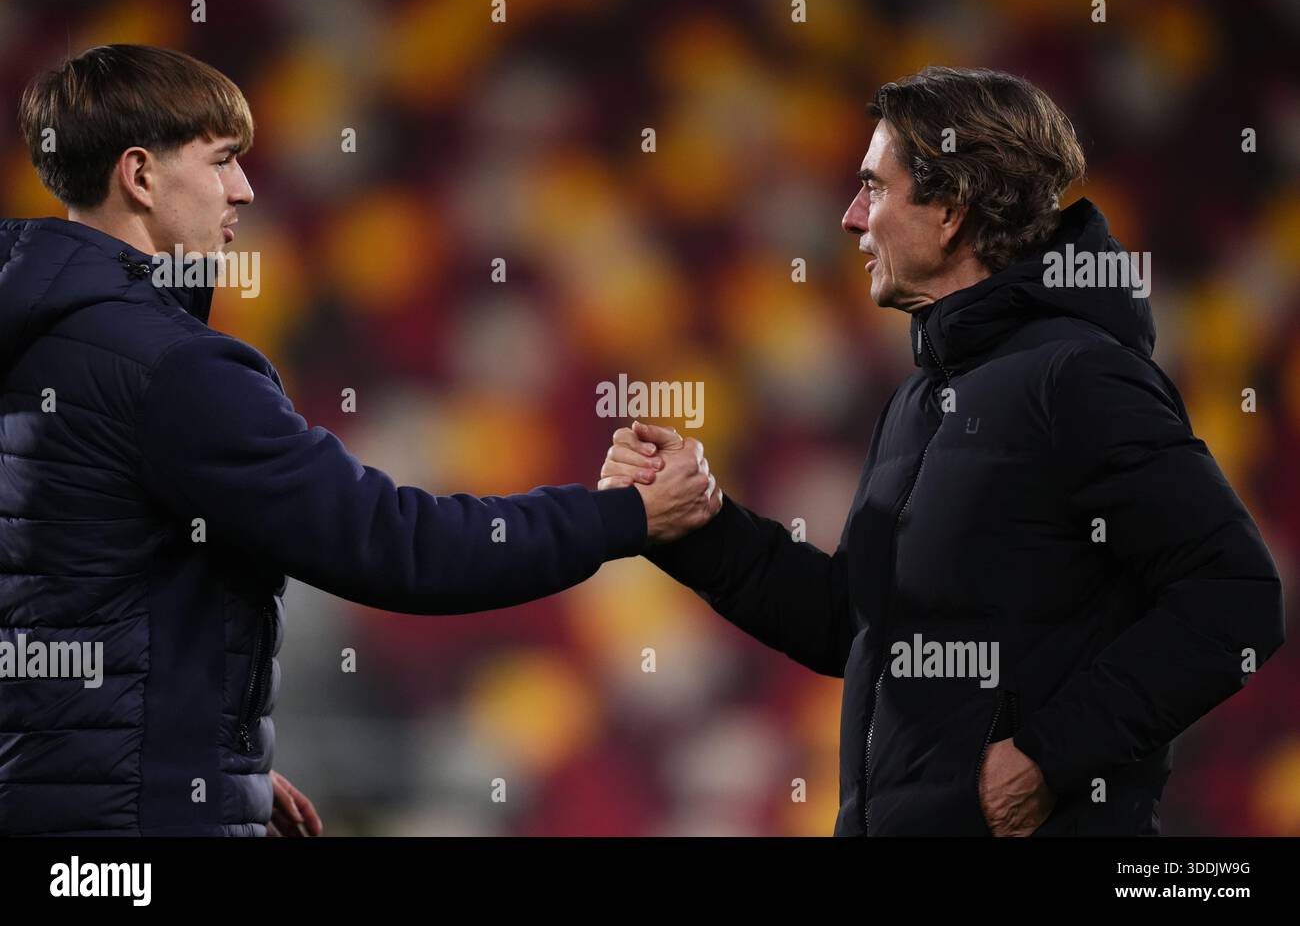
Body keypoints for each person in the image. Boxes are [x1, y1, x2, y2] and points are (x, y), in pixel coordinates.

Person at [0, 44, 720, 836]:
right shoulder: (172, 369)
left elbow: (56, 595)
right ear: (139, 176)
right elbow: (396, 545)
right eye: (222, 161)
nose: (243, 189)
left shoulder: (34, 339)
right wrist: (625, 518)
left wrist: (198, 758)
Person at [599, 66, 1285, 836]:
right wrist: (694, 523)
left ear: (951, 211)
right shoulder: (919, 401)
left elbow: (1237, 599)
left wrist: (1048, 759)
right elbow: (853, 627)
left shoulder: (1080, 378)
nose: (851, 218)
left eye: (874, 188)